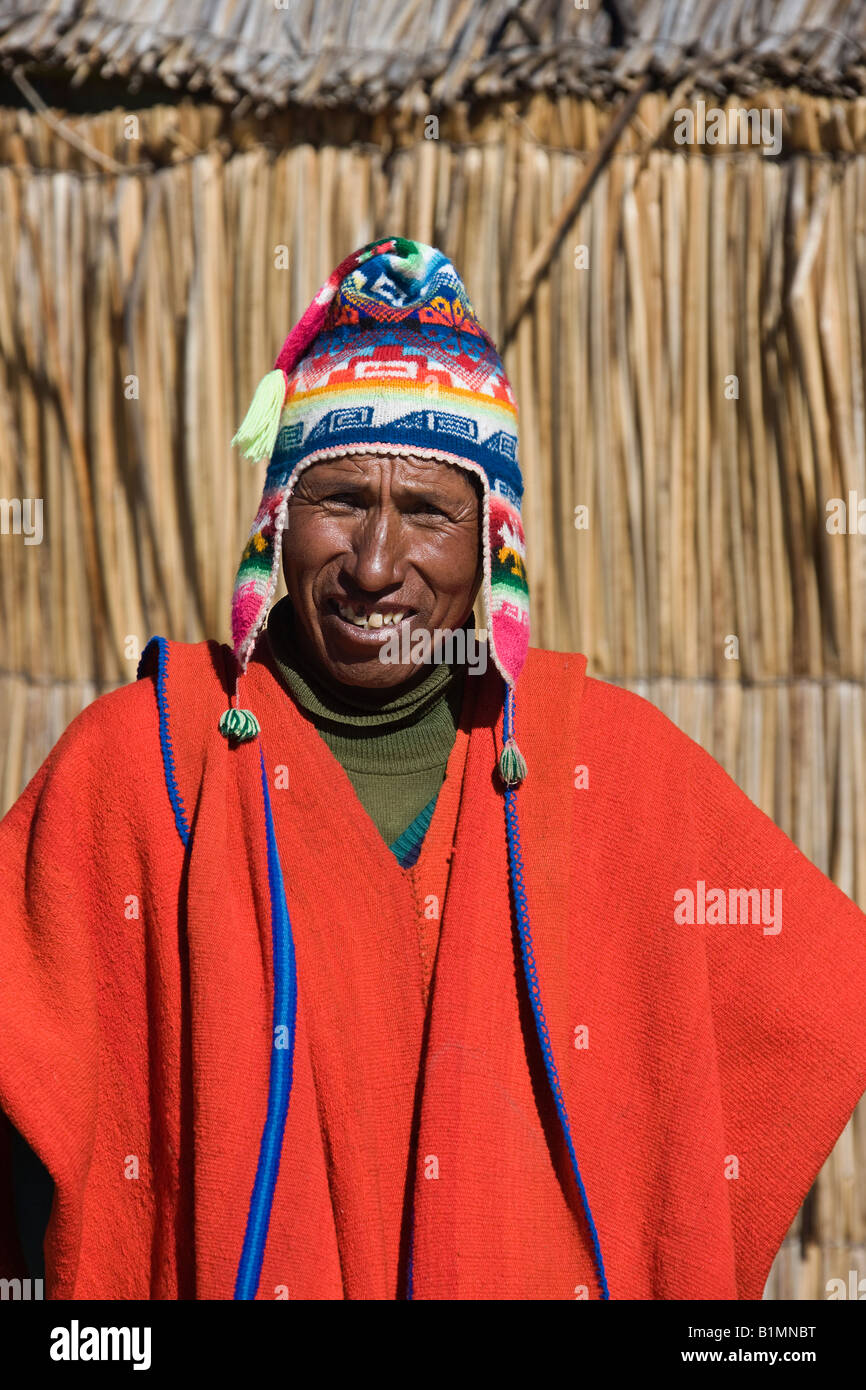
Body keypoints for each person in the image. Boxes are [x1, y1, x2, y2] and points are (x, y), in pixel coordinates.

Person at [1, 235, 865, 1301]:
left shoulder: (604, 769)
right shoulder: (142, 767)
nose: (374, 563)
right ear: (276, 520)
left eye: (426, 512)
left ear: (490, 541)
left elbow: (815, 999)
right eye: (339, 499)